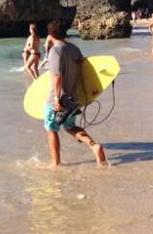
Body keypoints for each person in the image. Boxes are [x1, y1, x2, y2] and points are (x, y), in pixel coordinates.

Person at [42, 20, 106, 167]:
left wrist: (57, 99)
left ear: (50, 34)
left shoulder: (55, 51)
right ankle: (93, 145)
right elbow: (84, 70)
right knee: (70, 127)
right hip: (73, 97)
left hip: (58, 97)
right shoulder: (74, 49)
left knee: (50, 129)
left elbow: (57, 76)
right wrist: (88, 94)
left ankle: (55, 162)